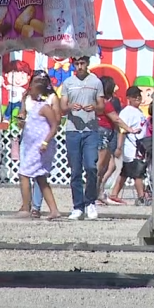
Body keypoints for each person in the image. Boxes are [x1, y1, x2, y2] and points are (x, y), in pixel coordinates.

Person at [59, 56, 105, 220]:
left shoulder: (96, 82)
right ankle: (78, 206)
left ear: (87, 64)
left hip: (90, 129)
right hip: (72, 130)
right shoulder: (68, 83)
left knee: (91, 167)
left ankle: (90, 201)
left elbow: (102, 107)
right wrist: (70, 106)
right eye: (77, 64)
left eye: (82, 63)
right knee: (75, 170)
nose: (79, 66)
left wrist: (95, 107)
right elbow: (62, 107)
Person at [17, 77, 63, 220]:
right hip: (30, 145)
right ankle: (54, 210)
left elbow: (54, 126)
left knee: (24, 174)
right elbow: (25, 119)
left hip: (40, 147)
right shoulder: (33, 106)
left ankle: (26, 207)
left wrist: (45, 142)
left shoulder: (45, 107)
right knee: (41, 178)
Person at [96, 76, 135, 206]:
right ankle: (94, 195)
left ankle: (99, 193)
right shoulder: (104, 103)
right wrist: (129, 129)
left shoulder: (101, 101)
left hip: (106, 133)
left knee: (105, 167)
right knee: (100, 167)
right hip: (103, 133)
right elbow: (116, 119)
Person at [109, 86, 150, 206]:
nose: (138, 98)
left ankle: (114, 194)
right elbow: (121, 130)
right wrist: (119, 147)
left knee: (125, 172)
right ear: (129, 98)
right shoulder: (126, 112)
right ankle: (141, 196)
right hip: (132, 147)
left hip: (139, 146)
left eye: (139, 95)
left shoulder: (139, 111)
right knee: (138, 172)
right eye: (134, 96)